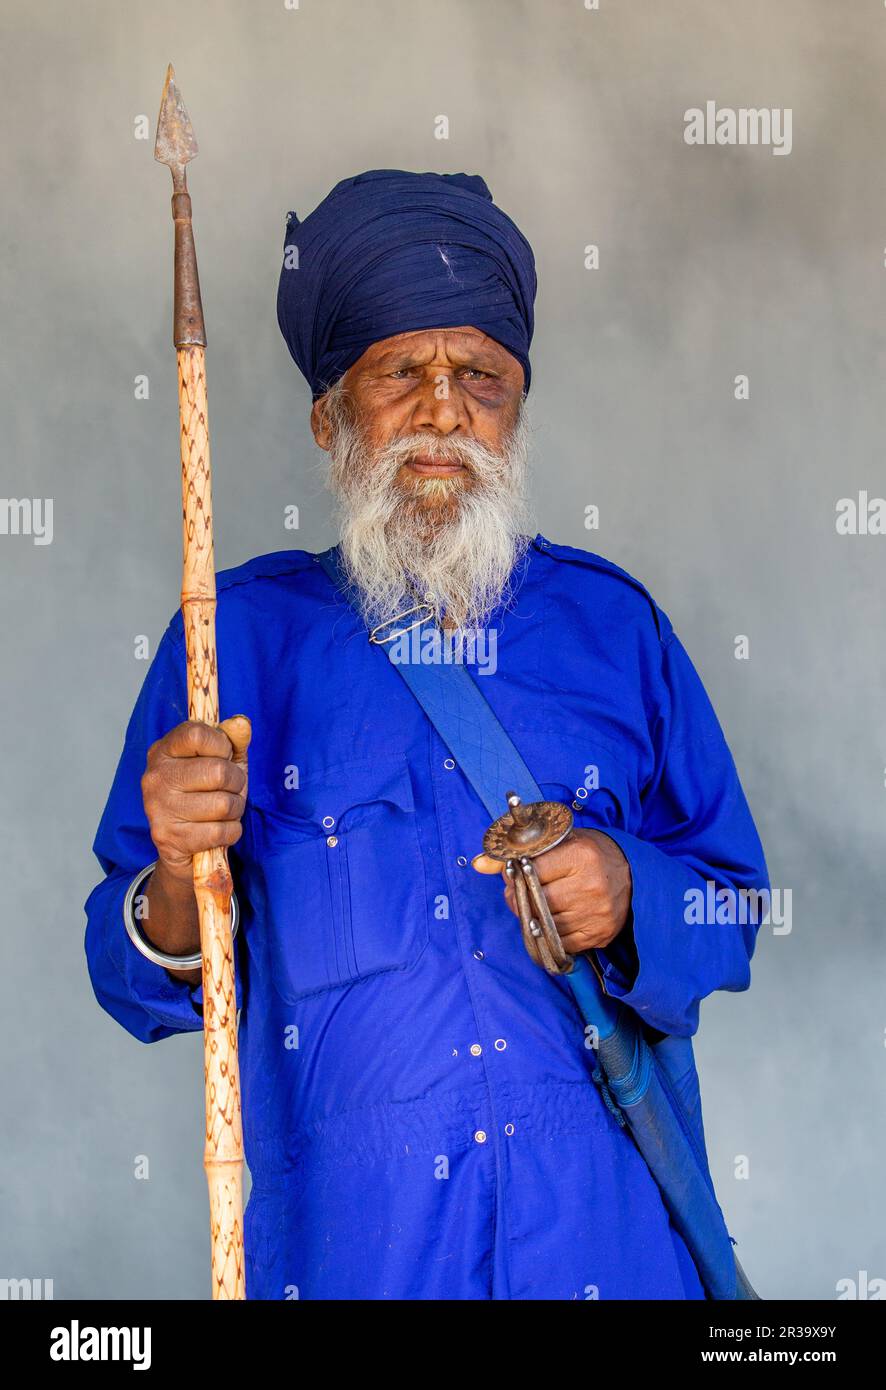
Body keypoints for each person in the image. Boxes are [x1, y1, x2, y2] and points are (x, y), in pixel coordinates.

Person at [85, 169, 768, 1300]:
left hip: (605, 1246)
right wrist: (171, 867)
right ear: (328, 414)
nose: (444, 409)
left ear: (516, 411)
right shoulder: (232, 642)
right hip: (361, 1256)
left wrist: (632, 887)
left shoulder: (614, 630)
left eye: (481, 379)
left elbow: (733, 907)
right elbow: (135, 976)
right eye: (401, 372)